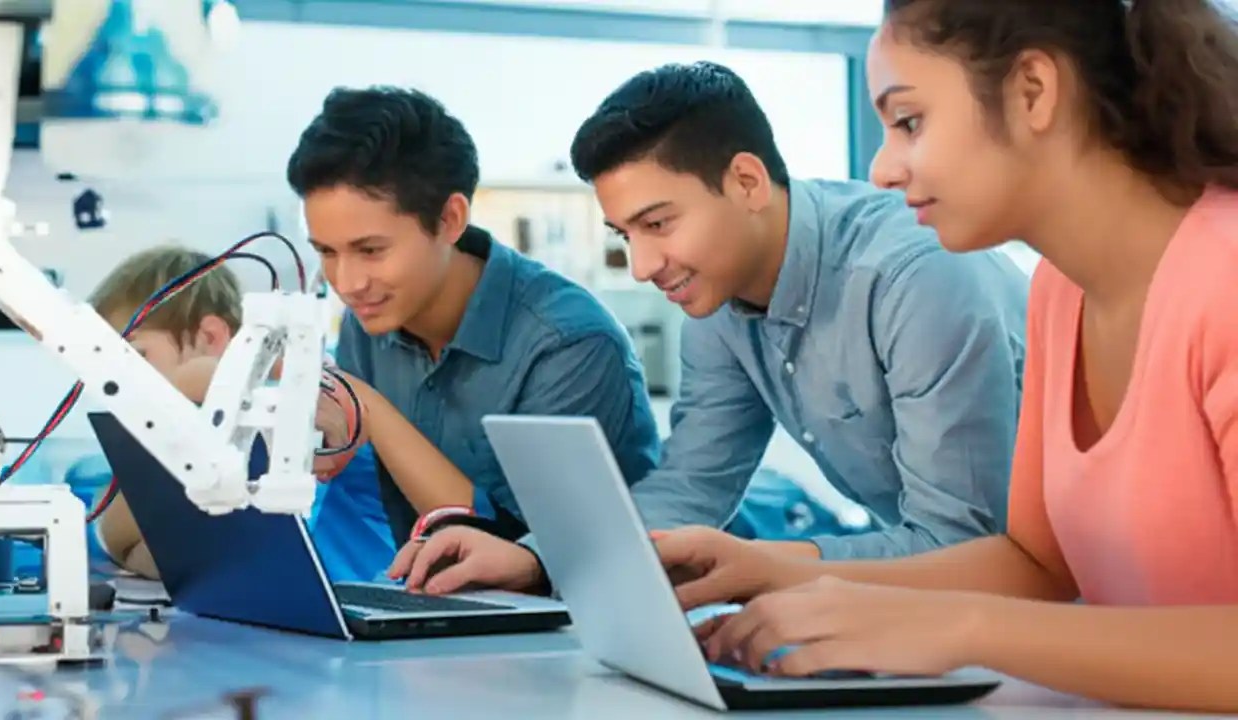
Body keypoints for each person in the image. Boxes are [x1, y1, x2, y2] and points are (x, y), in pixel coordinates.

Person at [660, 0, 1238, 713]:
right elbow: (1033, 564)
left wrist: (965, 627)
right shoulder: (1063, 290)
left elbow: (1004, 607)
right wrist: (779, 573)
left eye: (910, 122)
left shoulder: (1225, 278)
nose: (880, 170)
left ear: (1032, 91)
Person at [388, 61, 1029, 593]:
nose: (641, 266)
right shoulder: (718, 299)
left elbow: (960, 548)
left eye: (659, 224)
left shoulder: (912, 279)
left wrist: (767, 568)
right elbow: (692, 485)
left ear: (747, 180)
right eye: (625, 235)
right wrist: (538, 559)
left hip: (1060, 612)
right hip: (943, 603)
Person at [281, 85, 660, 558]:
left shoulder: (568, 344)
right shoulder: (370, 322)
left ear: (449, 219)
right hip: (438, 614)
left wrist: (368, 408)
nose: (348, 282)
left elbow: (512, 558)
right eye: (327, 252)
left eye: (370, 250)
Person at [86, 244, 249, 578]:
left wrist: (181, 385)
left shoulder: (253, 400)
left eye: (136, 357)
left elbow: (213, 377)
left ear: (210, 337)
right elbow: (118, 539)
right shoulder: (178, 431)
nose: (116, 384)